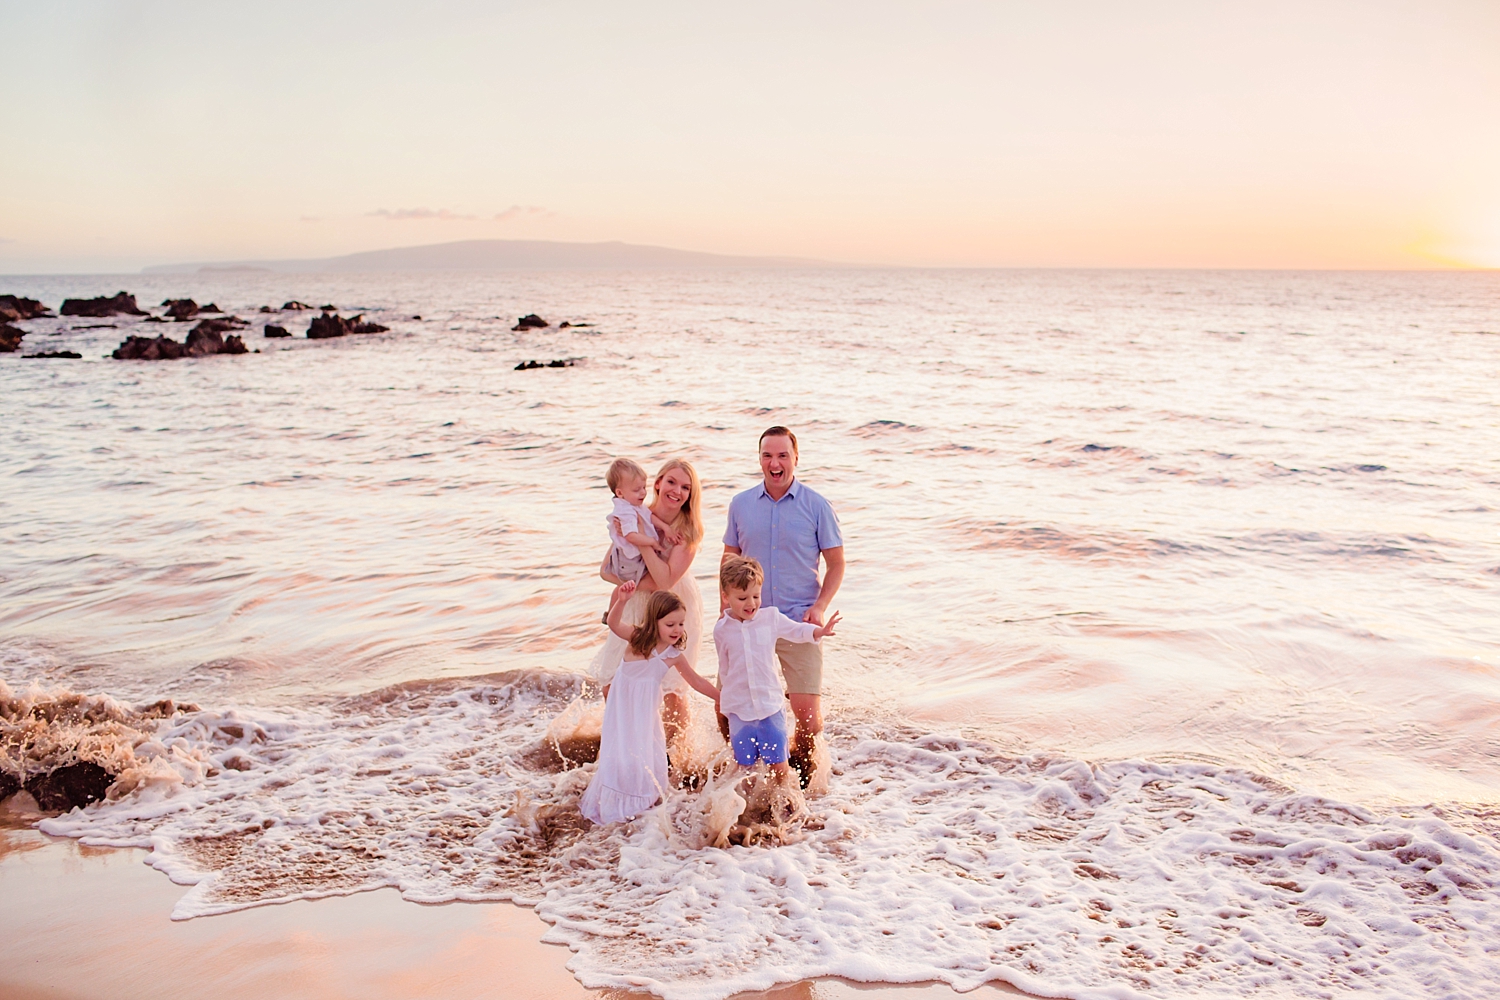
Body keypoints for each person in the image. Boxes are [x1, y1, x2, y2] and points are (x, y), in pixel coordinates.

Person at [722, 426, 844, 785]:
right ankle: (744, 782)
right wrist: (724, 606)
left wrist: (821, 606)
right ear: (759, 458)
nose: (774, 463)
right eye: (767, 455)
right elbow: (729, 559)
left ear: (795, 458)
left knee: (809, 720)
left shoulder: (817, 506)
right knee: (727, 707)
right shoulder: (740, 504)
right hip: (746, 621)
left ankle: (796, 786)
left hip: (798, 620)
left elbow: (836, 564)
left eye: (782, 455)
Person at [580, 583, 721, 825]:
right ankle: (617, 799)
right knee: (621, 748)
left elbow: (696, 680)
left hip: (645, 710)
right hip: (622, 707)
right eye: (670, 624)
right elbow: (613, 624)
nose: (677, 630)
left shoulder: (672, 654)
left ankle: (643, 801)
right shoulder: (636, 638)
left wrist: (722, 698)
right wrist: (622, 600)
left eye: (681, 624)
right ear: (654, 621)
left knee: (646, 748)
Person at [592, 458, 707, 748]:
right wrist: (629, 581)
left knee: (671, 689)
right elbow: (607, 570)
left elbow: (665, 581)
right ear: (657, 483)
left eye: (685, 487)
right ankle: (631, 746)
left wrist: (643, 543)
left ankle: (674, 759)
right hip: (633, 603)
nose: (676, 491)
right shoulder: (634, 514)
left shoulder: (687, 533)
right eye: (671, 482)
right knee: (612, 681)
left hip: (673, 608)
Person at [713, 556, 840, 788]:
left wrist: (819, 632)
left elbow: (796, 631)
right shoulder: (721, 629)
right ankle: (746, 812)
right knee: (745, 770)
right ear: (725, 597)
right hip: (740, 712)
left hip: (770, 707)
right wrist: (726, 704)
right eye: (742, 598)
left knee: (779, 767)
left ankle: (783, 809)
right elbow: (725, 669)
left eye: (756, 596)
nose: (751, 603)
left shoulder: (769, 618)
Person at [602, 457, 679, 587]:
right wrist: (652, 542)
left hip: (638, 556)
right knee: (638, 579)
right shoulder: (625, 511)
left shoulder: (633, 503)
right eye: (637, 490)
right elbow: (631, 536)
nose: (643, 493)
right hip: (629, 561)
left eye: (644, 487)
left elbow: (648, 516)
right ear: (620, 493)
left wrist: (665, 527)